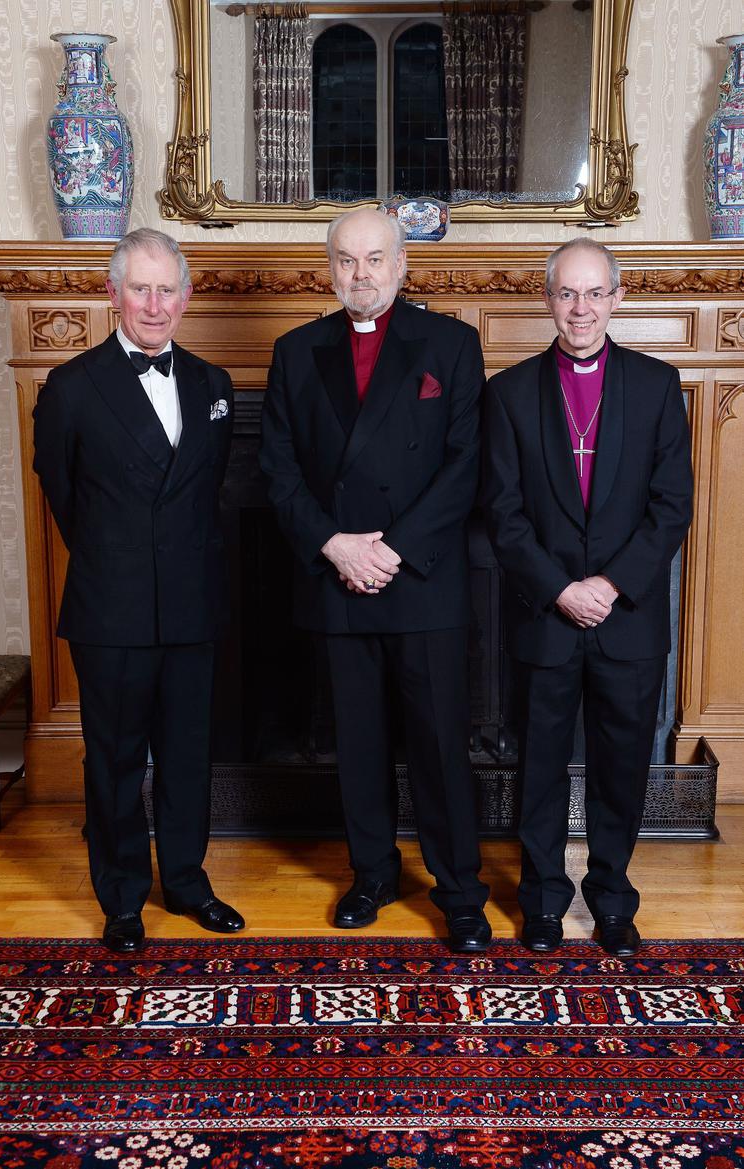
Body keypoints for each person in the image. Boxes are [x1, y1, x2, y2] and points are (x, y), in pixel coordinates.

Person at [259, 207, 490, 953]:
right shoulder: (296, 351)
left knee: (439, 745)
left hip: (420, 577)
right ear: (329, 268)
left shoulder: (452, 345)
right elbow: (278, 468)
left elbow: (466, 465)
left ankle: (459, 890)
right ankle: (372, 874)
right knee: (356, 742)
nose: (361, 274)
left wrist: (391, 550)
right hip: (338, 574)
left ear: (402, 264)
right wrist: (335, 544)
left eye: (375, 258)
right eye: (346, 261)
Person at [33, 227, 244, 953]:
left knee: (188, 755)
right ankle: (122, 897)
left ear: (185, 297)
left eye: (167, 289)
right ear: (112, 292)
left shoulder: (214, 386)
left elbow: (209, 493)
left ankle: (186, 880)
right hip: (111, 607)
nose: (154, 304)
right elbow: (65, 497)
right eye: (140, 288)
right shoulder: (70, 387)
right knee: (116, 759)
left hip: (192, 606)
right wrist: (121, 562)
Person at [483, 237, 693, 957]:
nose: (581, 309)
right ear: (548, 300)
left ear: (618, 297)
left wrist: (606, 586)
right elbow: (502, 514)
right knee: (538, 764)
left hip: (627, 619)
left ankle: (610, 896)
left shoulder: (658, 385)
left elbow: (671, 506)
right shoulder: (507, 393)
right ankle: (541, 900)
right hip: (544, 618)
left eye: (594, 293)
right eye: (567, 294)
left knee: (620, 766)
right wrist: (559, 588)